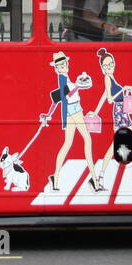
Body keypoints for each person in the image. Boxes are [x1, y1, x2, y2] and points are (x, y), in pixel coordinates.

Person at [91, 47, 132, 192]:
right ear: (102, 67)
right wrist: (123, 89)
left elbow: (103, 95)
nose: (109, 67)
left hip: (123, 112)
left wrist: (95, 112)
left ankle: (99, 178)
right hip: (119, 113)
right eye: (106, 65)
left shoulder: (111, 77)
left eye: (111, 64)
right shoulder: (107, 78)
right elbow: (110, 99)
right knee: (126, 143)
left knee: (120, 145)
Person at [44, 51, 98, 193]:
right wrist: (78, 86)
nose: (63, 67)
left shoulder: (65, 77)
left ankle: (55, 177)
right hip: (75, 111)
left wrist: (48, 114)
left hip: (71, 112)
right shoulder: (62, 78)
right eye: (60, 66)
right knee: (87, 139)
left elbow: (58, 98)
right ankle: (94, 179)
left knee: (67, 144)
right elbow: (66, 97)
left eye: (64, 64)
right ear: (56, 68)